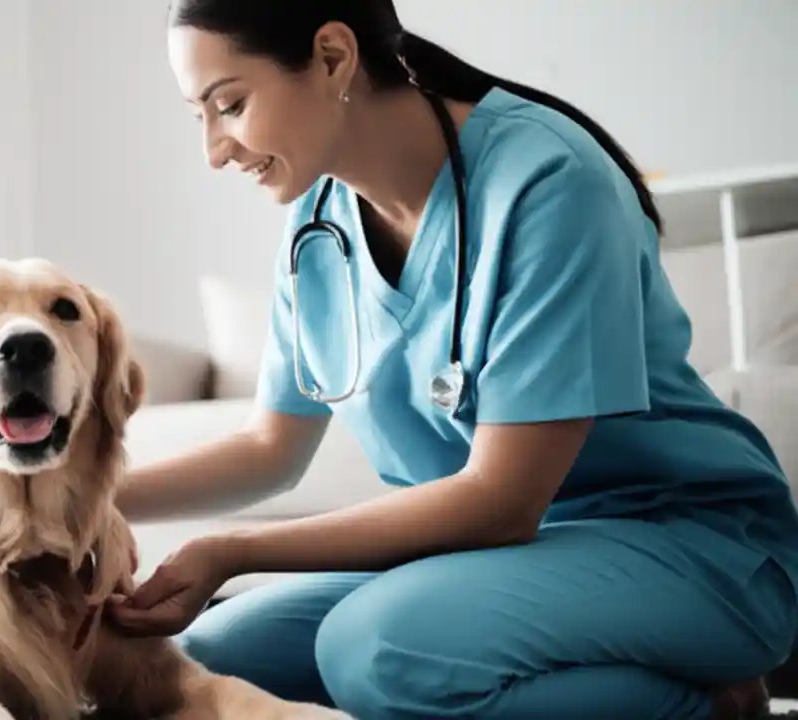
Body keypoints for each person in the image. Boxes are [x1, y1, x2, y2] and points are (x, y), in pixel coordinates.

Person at [103, 2, 798, 719]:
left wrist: (233, 551)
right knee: (196, 667)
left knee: (374, 651)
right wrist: (77, 499)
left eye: (231, 105)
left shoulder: (547, 182)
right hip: (491, 568)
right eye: (202, 117)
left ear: (334, 57)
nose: (215, 150)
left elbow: (502, 501)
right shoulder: (316, 227)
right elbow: (269, 449)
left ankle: (705, 707)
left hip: (691, 548)